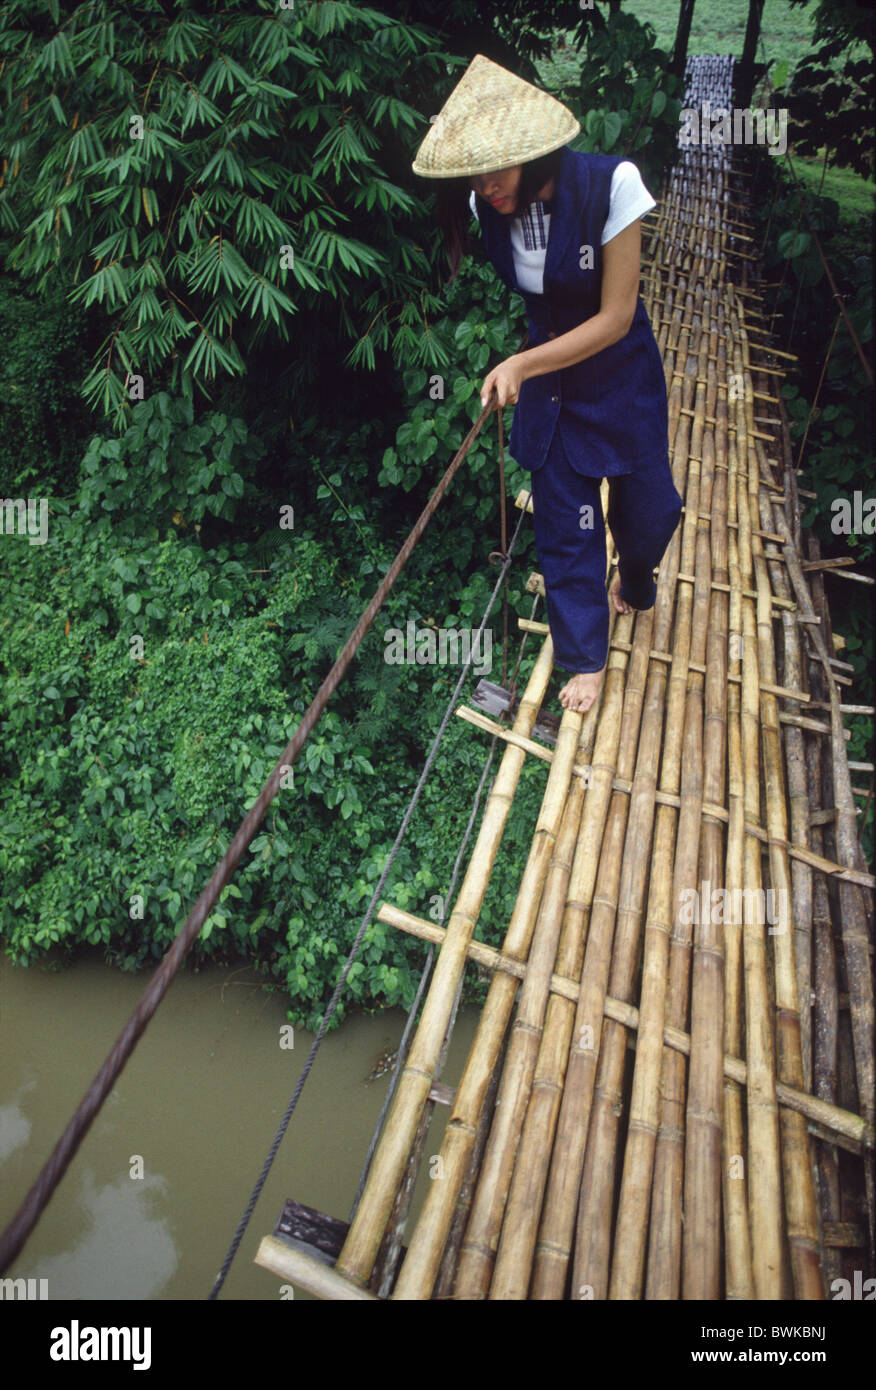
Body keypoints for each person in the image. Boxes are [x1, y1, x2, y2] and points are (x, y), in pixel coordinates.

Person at [413, 54, 683, 714]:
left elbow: (617, 317)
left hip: (620, 378)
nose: (484, 184)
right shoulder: (487, 205)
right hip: (554, 394)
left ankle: (639, 577)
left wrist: (521, 365)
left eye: (494, 166)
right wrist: (531, 370)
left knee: (650, 511)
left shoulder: (613, 185)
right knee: (566, 527)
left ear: (532, 151)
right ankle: (585, 658)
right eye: (472, 171)